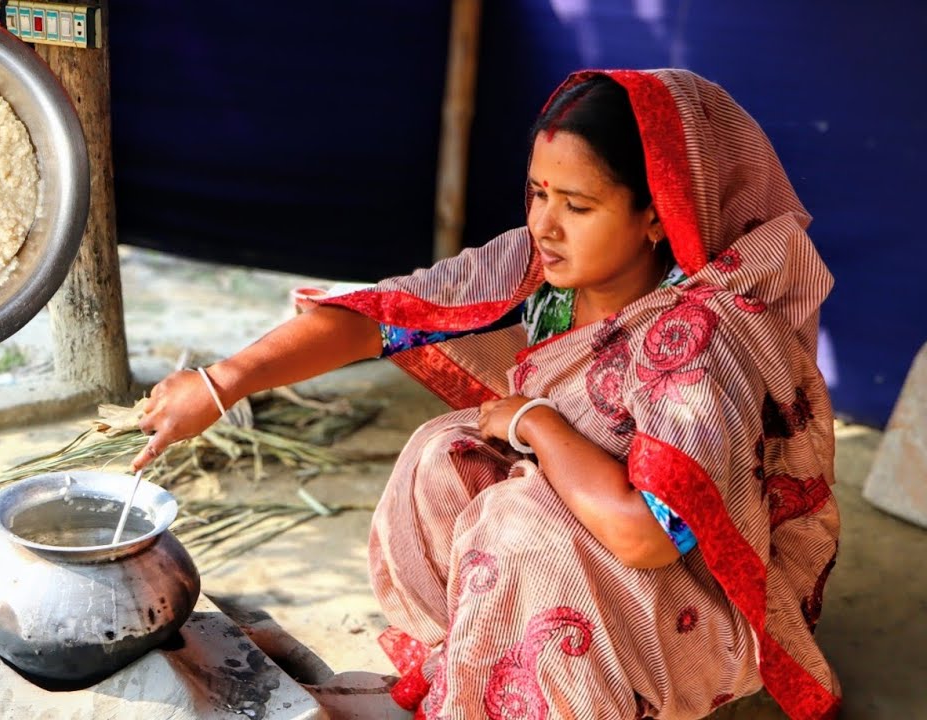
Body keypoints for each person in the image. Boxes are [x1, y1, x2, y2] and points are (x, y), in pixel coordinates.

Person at [132, 69, 840, 720]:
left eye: (579, 205)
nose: (545, 224)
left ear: (659, 213)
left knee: (520, 521)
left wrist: (536, 422)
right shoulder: (544, 268)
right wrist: (220, 385)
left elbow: (647, 536)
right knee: (442, 452)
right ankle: (470, 682)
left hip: (686, 610)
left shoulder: (701, 336)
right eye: (537, 192)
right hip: (586, 553)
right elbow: (389, 316)